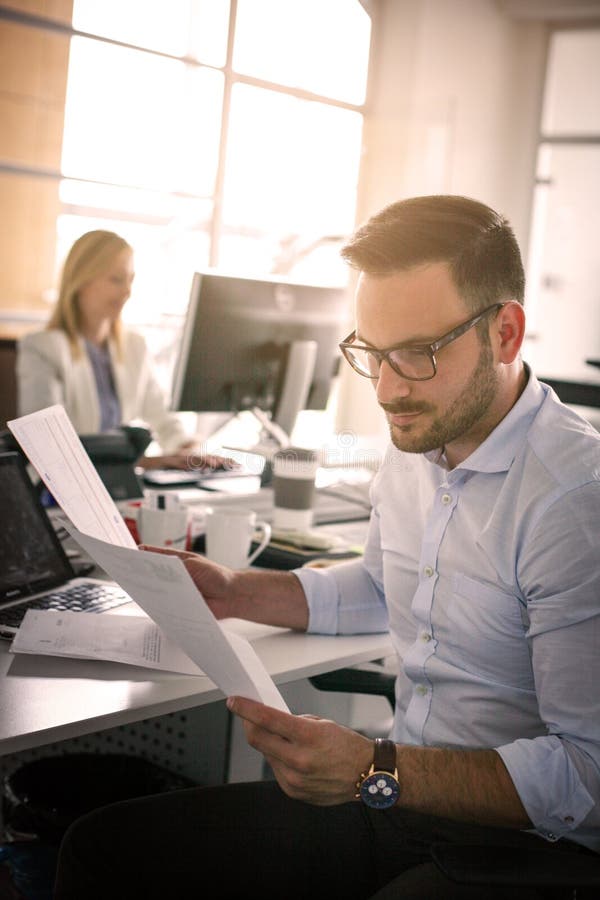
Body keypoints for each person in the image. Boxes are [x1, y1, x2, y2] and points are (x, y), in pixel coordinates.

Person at [53, 196, 599, 900]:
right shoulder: (417, 436)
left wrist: (377, 765)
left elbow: (588, 777)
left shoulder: (573, 501)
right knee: (103, 852)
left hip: (523, 847)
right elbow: (380, 587)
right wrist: (237, 590)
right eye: (372, 352)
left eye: (420, 353)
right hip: (400, 801)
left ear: (506, 332)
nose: (388, 389)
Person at [17, 229, 228, 471]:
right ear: (81, 281)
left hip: (121, 486)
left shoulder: (134, 346)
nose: (127, 291)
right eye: (116, 279)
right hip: (64, 491)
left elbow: (161, 416)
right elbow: (46, 445)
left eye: (131, 280)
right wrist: (146, 463)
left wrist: (189, 449)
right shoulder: (43, 349)